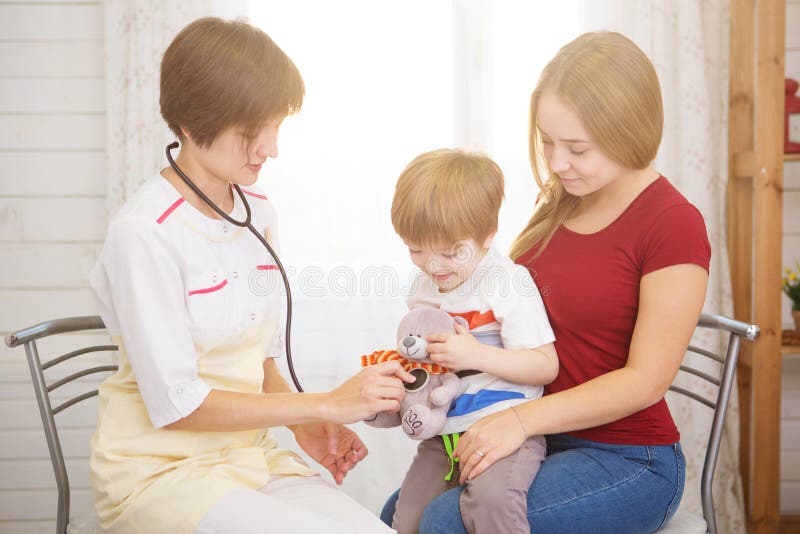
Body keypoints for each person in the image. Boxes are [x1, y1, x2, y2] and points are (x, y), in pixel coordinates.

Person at [88, 17, 413, 534]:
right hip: (163, 475)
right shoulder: (143, 233)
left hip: (248, 459)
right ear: (193, 125)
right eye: (250, 132)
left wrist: (305, 422)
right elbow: (177, 405)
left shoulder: (257, 212)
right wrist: (328, 401)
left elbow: (256, 360)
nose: (270, 148)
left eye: (275, 126)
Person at [380, 31, 710, 533]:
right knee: (395, 515)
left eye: (576, 147)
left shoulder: (672, 224)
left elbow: (647, 380)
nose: (556, 163)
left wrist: (518, 421)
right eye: (548, 141)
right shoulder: (559, 200)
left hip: (627, 459)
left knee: (445, 523)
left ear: (631, 129)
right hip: (542, 438)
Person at [387, 149, 559, 533]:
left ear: (487, 235)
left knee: (493, 504)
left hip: (505, 428)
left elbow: (545, 365)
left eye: (450, 253)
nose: (434, 267)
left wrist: (476, 354)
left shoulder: (506, 282)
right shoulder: (422, 289)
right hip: (443, 434)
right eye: (416, 249)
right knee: (407, 519)